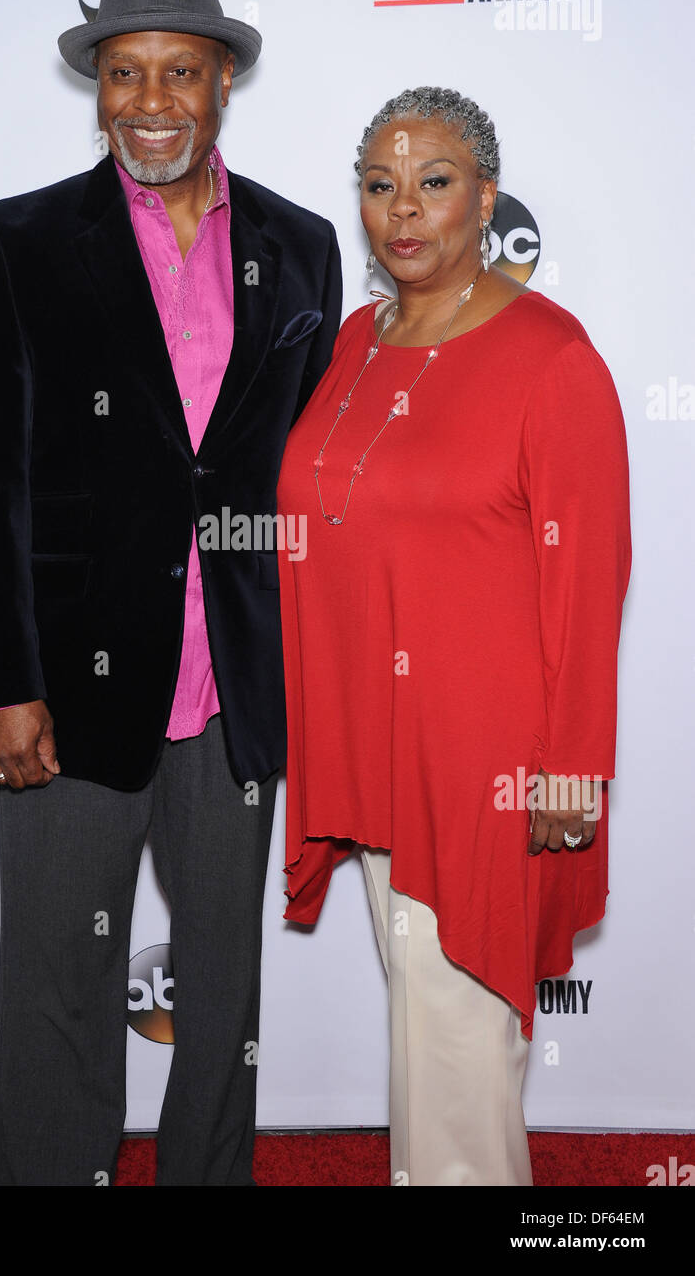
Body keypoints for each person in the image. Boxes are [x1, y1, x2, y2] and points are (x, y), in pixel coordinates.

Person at [0, 0, 341, 1186]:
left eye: (179, 72)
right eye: (126, 74)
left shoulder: (304, 244)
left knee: (223, 999)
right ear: (97, 85)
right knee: (59, 983)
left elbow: (306, 481)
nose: (152, 103)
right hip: (71, 690)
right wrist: (2, 683)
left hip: (234, 690)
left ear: (223, 81)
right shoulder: (16, 241)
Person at [276, 86, 631, 1186]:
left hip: (487, 762)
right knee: (432, 1031)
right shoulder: (353, 339)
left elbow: (590, 577)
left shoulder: (549, 356)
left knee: (453, 1039)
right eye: (379, 186)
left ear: (485, 194)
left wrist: (569, 771)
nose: (403, 211)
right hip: (379, 747)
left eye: (433, 183)